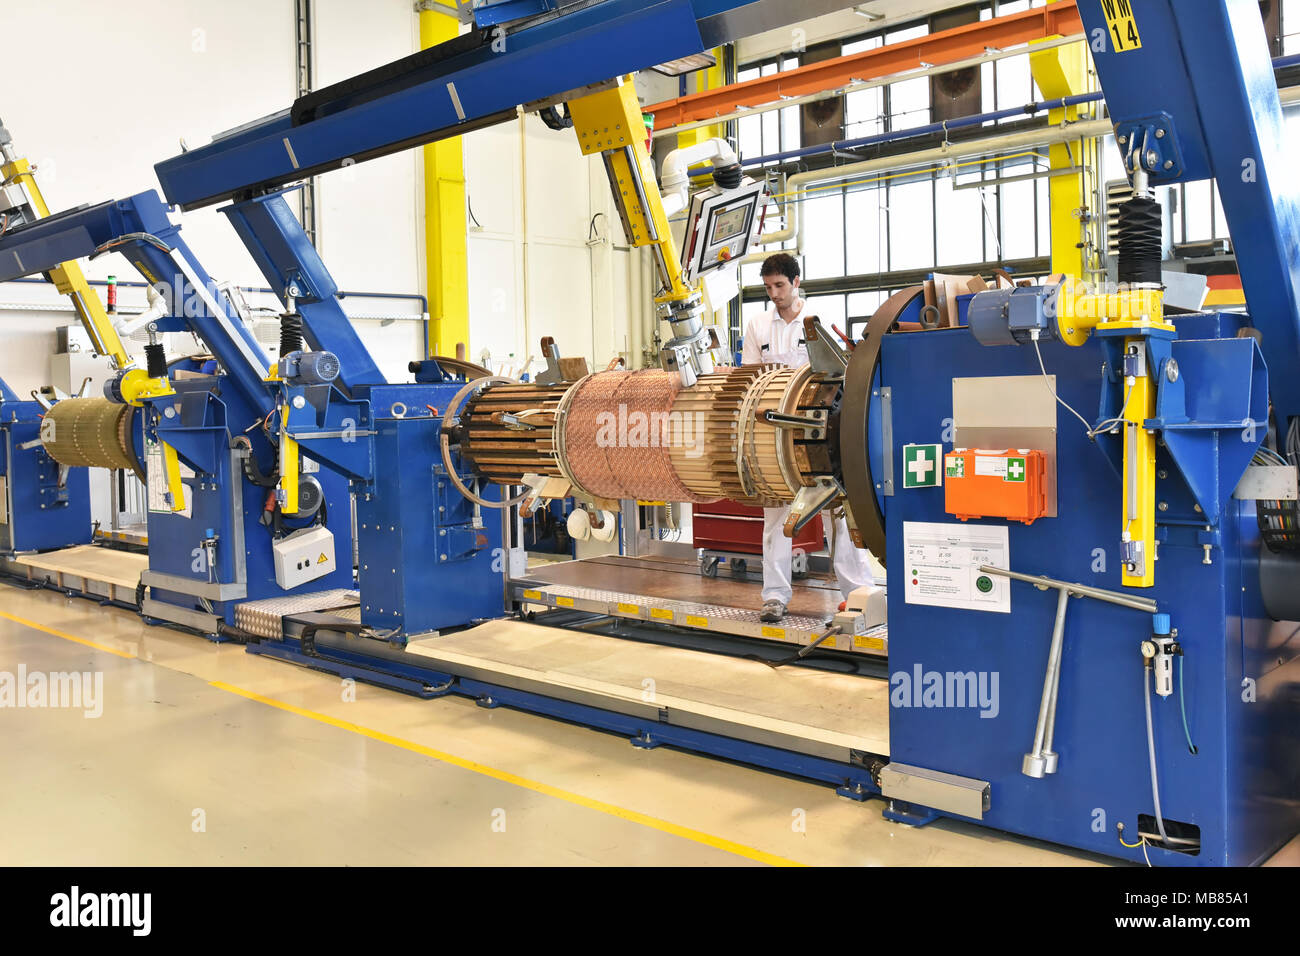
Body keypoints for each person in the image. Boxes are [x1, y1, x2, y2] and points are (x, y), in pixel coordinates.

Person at [741, 253, 876, 623]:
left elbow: (842, 374)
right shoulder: (757, 325)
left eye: (780, 286)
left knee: (842, 519)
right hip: (776, 441)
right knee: (776, 521)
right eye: (768, 287)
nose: (774, 294)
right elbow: (751, 378)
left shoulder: (819, 322)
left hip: (824, 438)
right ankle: (774, 597)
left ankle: (860, 594)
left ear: (796, 282)